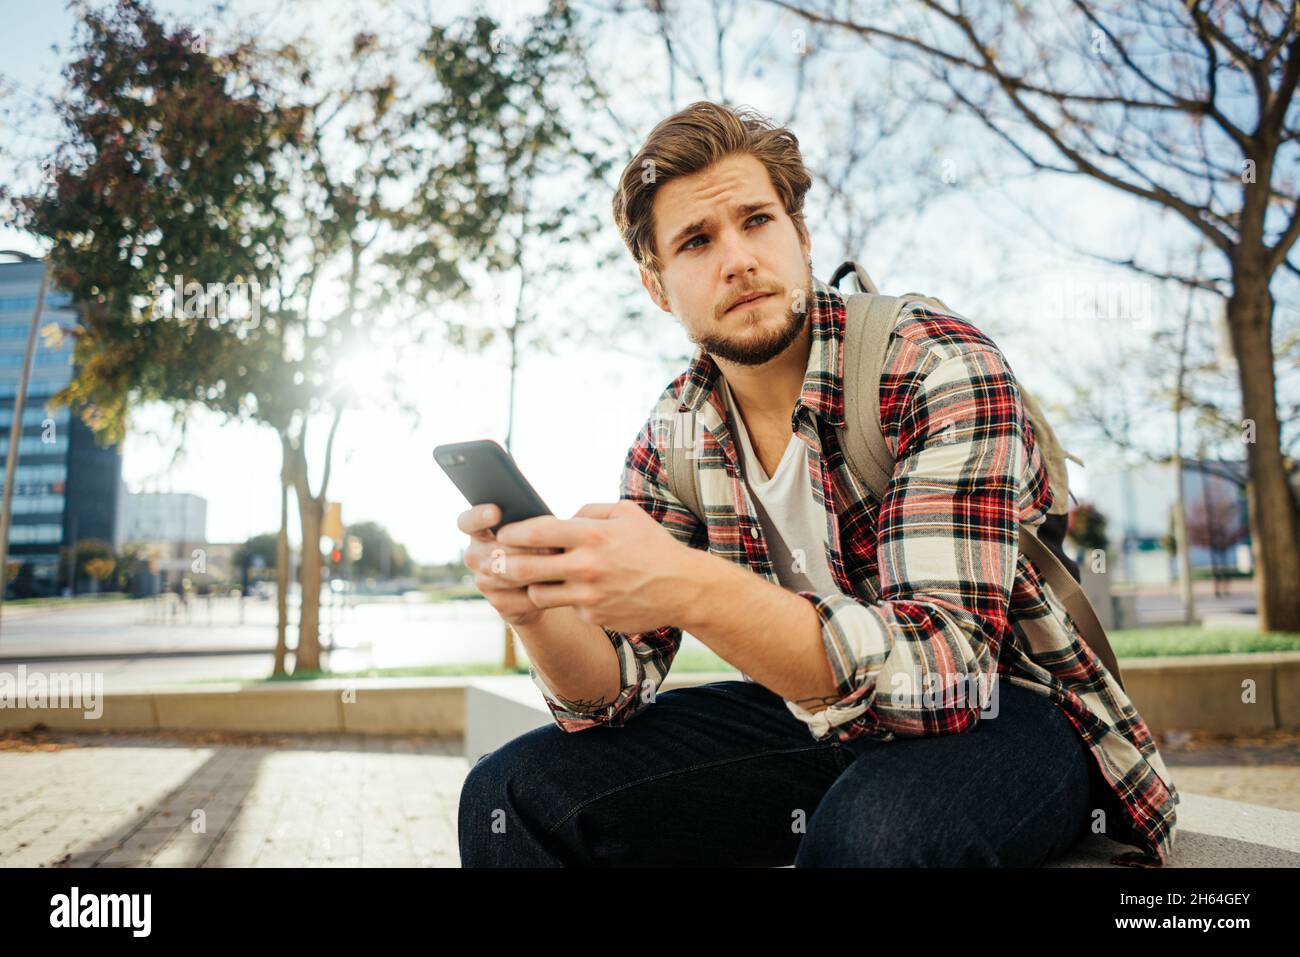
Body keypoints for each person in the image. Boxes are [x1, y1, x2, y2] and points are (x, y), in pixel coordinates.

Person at [456, 100, 1179, 868]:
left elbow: (948, 670)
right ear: (658, 287)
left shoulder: (931, 360)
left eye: (757, 221)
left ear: (800, 238)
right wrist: (534, 610)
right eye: (697, 241)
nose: (737, 258)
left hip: (1008, 713)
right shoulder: (677, 429)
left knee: (879, 833)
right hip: (815, 719)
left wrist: (690, 586)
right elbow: (609, 696)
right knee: (514, 790)